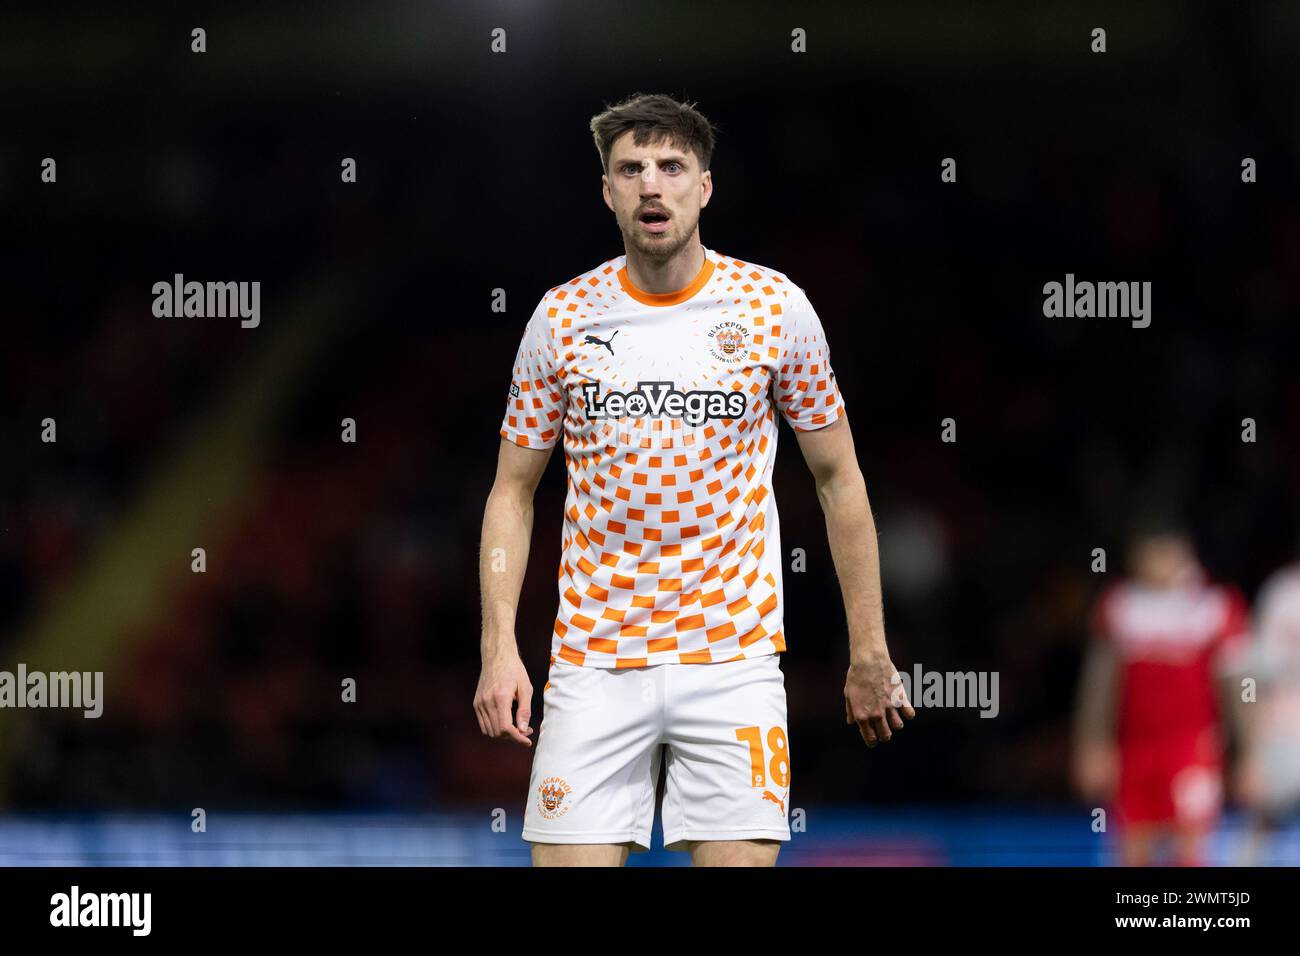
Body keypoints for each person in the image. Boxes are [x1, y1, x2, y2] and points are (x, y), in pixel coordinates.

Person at [474, 93, 912, 867]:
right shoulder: (560, 318)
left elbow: (839, 478)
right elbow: (513, 491)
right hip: (592, 663)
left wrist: (869, 648)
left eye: (672, 166)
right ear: (606, 191)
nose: (652, 185)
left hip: (734, 664)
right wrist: (498, 646)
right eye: (631, 169)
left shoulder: (776, 310)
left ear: (704, 187)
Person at [1072, 523, 1249, 866]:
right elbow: (1098, 686)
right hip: (1134, 750)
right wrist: (1092, 744)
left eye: (1166, 554)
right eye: (1149, 554)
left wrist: (1248, 752)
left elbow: (1240, 689)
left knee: (1190, 846)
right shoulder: (1120, 606)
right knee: (1131, 844)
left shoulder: (1214, 608)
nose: (1158, 563)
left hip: (1193, 748)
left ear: (1185, 554)